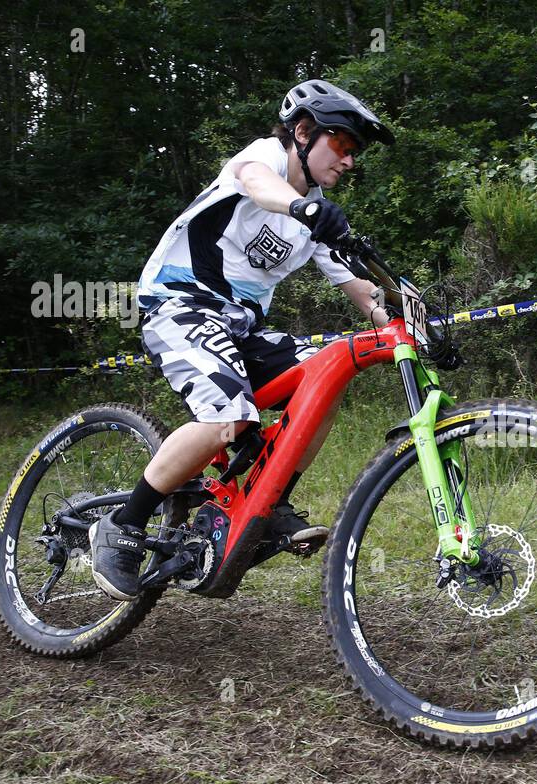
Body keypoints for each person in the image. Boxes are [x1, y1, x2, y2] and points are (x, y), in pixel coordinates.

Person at [88, 79, 395, 601]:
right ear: (303, 131)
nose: (348, 161)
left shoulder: (316, 213)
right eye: (342, 145)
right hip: (178, 303)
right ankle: (121, 525)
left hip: (239, 326)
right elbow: (256, 185)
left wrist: (408, 312)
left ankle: (269, 502)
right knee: (227, 417)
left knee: (330, 369)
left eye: (355, 153)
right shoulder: (266, 158)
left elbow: (361, 289)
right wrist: (301, 209)